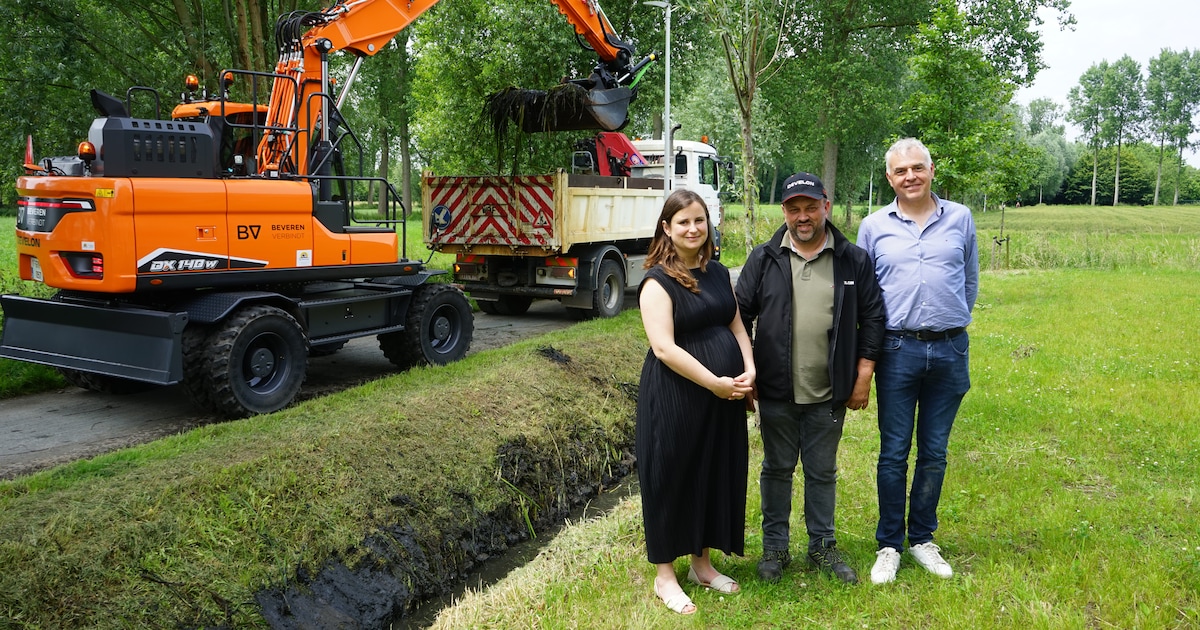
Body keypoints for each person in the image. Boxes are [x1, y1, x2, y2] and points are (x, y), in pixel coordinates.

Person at [735, 172, 885, 585]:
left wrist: (863, 374)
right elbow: (737, 316)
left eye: (810, 207)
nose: (803, 217)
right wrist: (746, 373)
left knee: (822, 471)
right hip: (776, 390)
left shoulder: (852, 259)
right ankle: (775, 549)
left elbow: (873, 317)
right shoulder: (764, 259)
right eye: (794, 209)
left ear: (826, 207)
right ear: (784, 211)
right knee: (777, 468)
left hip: (829, 390)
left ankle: (822, 545)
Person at [856, 137, 979, 584]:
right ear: (890, 178)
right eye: (900, 171)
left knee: (934, 451)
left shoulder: (961, 218)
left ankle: (923, 538)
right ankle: (889, 543)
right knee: (893, 452)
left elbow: (969, 282)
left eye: (917, 168)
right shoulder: (873, 227)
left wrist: (948, 321)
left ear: (931, 170)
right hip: (896, 350)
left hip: (950, 349)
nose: (910, 176)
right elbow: (866, 297)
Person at [636, 188, 756, 615]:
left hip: (722, 394)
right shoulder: (656, 281)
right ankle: (665, 576)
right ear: (666, 228)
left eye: (699, 220)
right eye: (683, 221)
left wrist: (749, 368)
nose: (692, 228)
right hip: (677, 394)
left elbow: (737, 326)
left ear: (709, 225)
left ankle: (702, 565)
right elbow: (665, 348)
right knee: (672, 475)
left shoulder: (719, 273)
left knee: (712, 469)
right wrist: (715, 383)